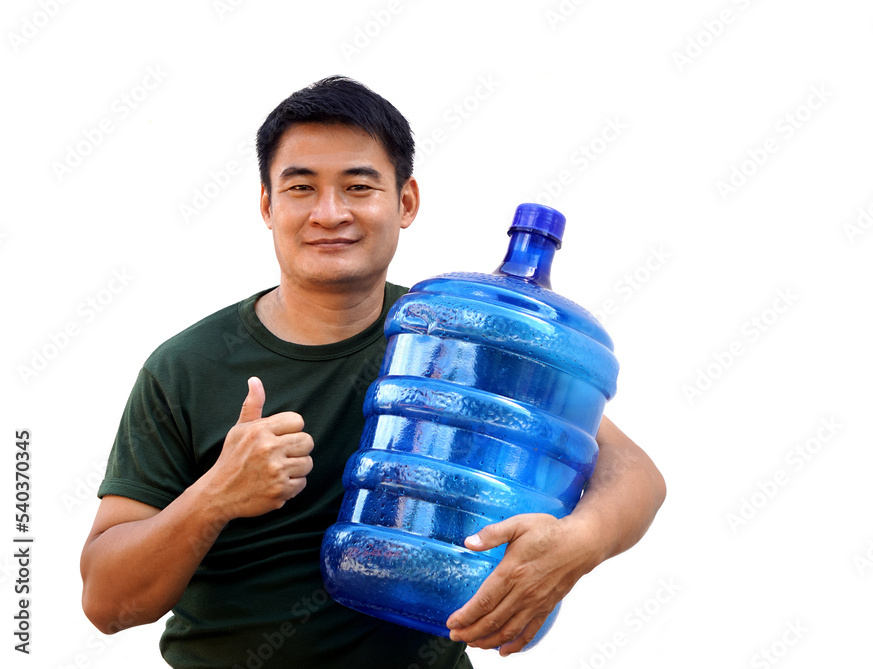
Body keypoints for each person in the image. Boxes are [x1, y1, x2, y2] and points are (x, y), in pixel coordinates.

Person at [80, 76, 666, 668]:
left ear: (405, 202)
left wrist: (576, 544)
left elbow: (634, 471)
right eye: (301, 188)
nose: (330, 213)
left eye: (358, 187)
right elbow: (107, 603)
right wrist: (215, 495)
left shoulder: (453, 336)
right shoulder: (187, 367)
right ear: (267, 206)